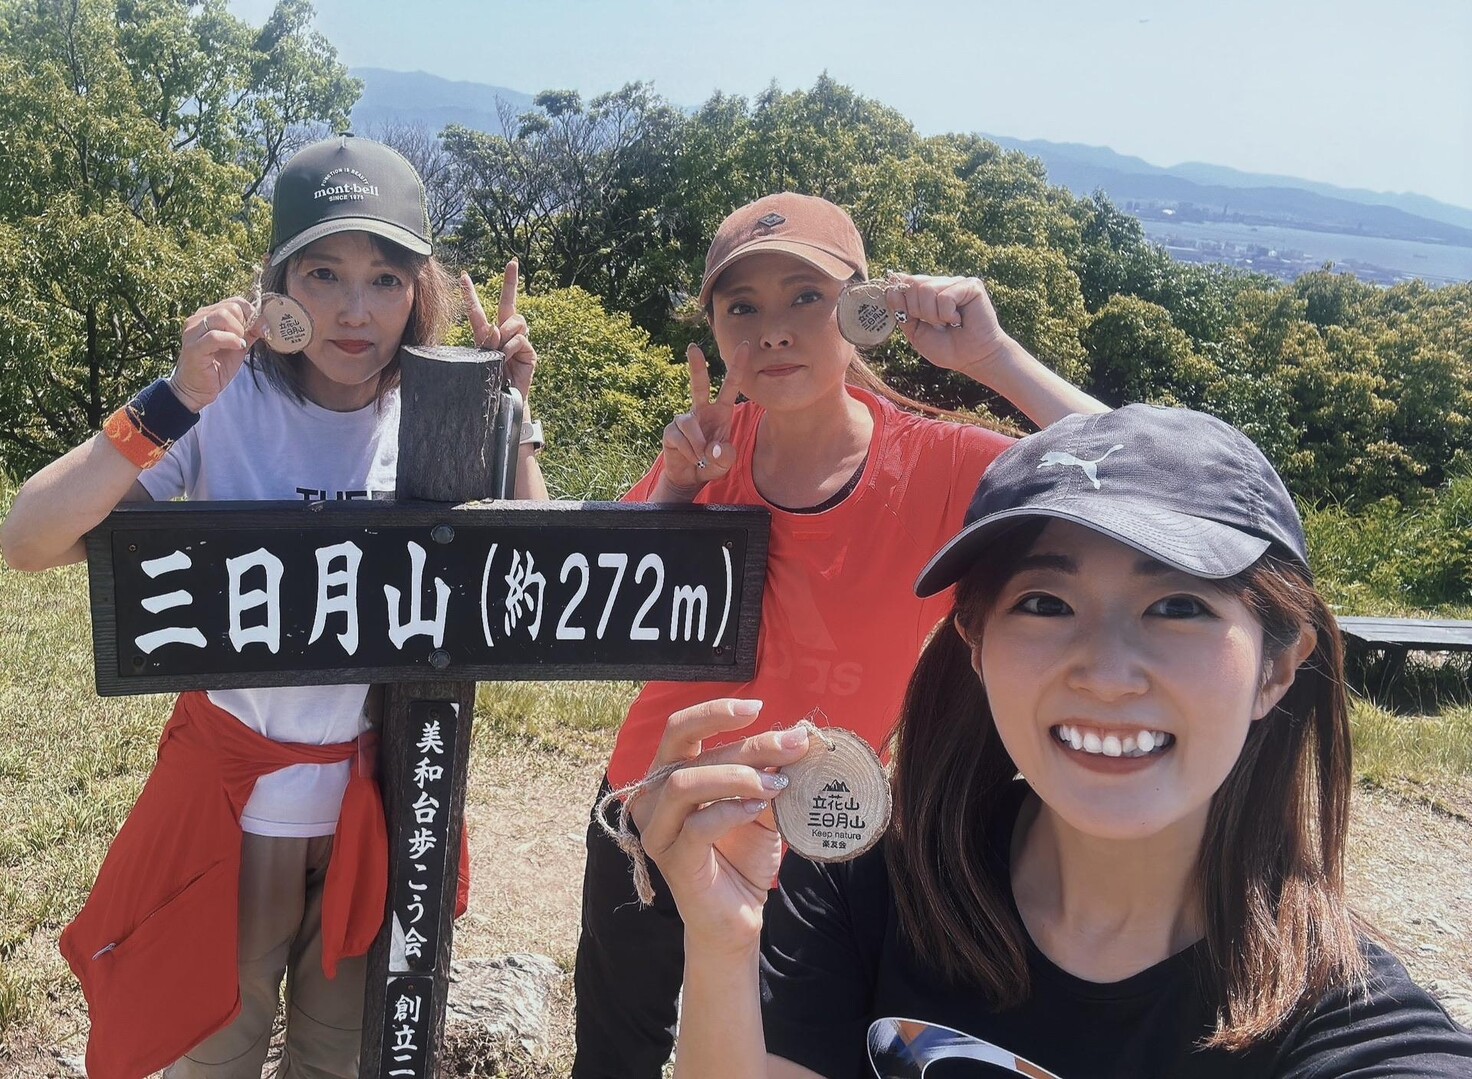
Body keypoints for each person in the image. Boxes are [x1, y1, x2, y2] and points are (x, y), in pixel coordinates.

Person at [639, 404, 1472, 1078]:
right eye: (1045, 602)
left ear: (1277, 667)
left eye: (1178, 605)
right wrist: (721, 945)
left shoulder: (1343, 1024)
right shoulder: (864, 889)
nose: (1107, 673)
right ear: (975, 639)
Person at [0, 135, 542, 1079]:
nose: (352, 308)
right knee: (209, 1050)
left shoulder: (442, 410)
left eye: (383, 277)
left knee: (341, 1059)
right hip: (230, 809)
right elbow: (29, 540)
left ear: (419, 289)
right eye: (323, 271)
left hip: (374, 810)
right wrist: (171, 399)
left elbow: (523, 602)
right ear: (279, 284)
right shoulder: (226, 402)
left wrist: (508, 418)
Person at [573, 192, 1107, 1077]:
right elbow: (603, 612)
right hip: (655, 799)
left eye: (806, 297)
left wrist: (995, 357)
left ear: (864, 310)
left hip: (819, 838)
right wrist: (673, 491)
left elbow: (1140, 474)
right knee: (616, 1050)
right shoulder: (707, 454)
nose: (772, 329)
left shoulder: (939, 465)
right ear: (713, 326)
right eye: (742, 306)